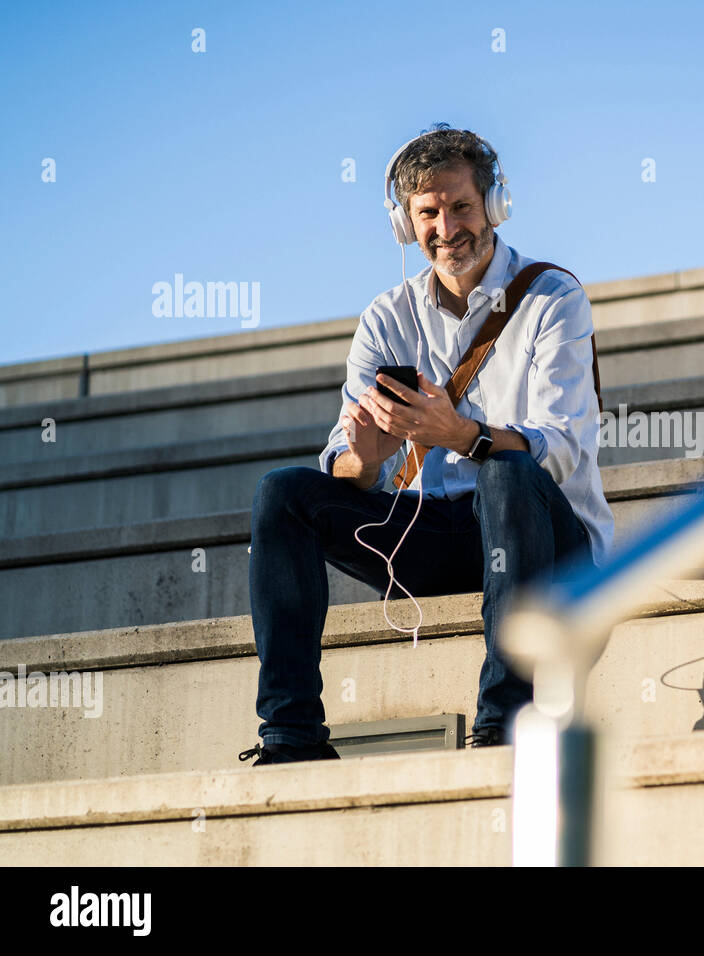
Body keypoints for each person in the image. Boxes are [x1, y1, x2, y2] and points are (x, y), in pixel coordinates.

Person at [238, 124, 614, 765]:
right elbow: (346, 459)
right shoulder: (384, 319)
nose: (447, 228)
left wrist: (462, 436)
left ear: (494, 204)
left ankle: (506, 721)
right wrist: (364, 459)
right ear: (405, 224)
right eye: (428, 213)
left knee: (505, 471)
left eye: (462, 206)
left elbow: (565, 447)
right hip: (435, 534)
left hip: (543, 538)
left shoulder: (554, 298)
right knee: (283, 492)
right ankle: (291, 732)